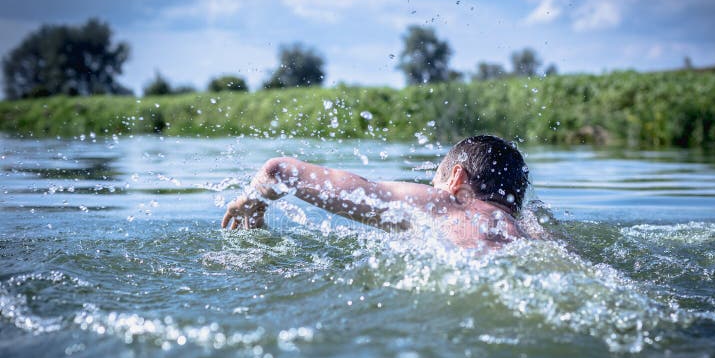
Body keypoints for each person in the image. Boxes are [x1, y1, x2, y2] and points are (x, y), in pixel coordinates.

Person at [222, 135, 535, 248]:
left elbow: (279, 171)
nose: (432, 189)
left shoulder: (443, 205)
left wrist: (254, 201)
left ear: (456, 179)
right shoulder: (531, 230)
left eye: (434, 181)